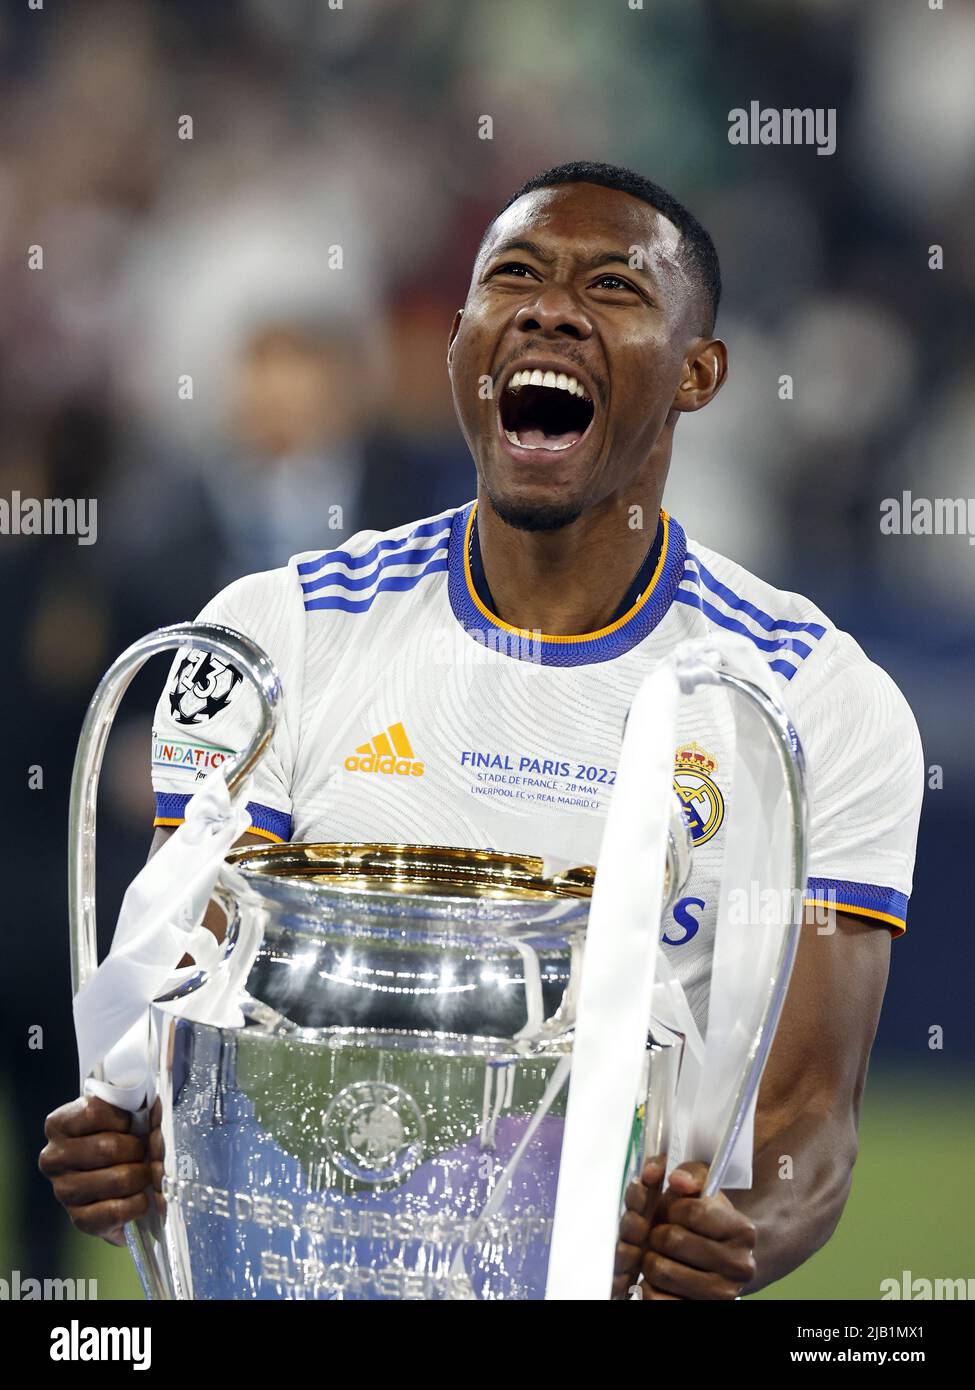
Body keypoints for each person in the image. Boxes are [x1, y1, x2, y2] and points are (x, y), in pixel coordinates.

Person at [40, 160, 924, 1300]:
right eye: (513, 275)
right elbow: (187, 999)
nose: (550, 307)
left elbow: (812, 1123)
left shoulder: (814, 701)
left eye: (614, 287)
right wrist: (132, 1118)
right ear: (461, 344)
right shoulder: (272, 634)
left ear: (699, 373)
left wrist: (731, 1227)